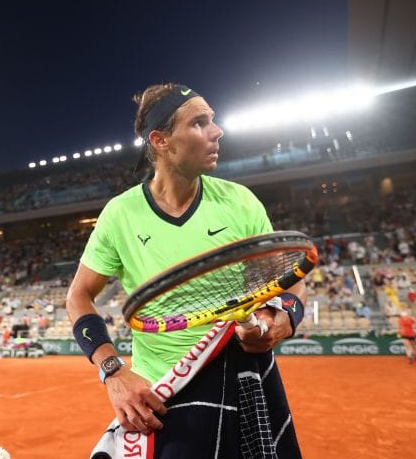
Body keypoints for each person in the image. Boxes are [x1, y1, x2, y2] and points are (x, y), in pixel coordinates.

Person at [66, 83, 306, 458]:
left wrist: (286, 316)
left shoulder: (240, 201)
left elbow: (288, 279)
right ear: (161, 141)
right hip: (160, 393)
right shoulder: (119, 214)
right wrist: (112, 371)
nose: (217, 131)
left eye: (212, 120)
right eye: (200, 122)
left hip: (243, 379)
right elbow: (78, 296)